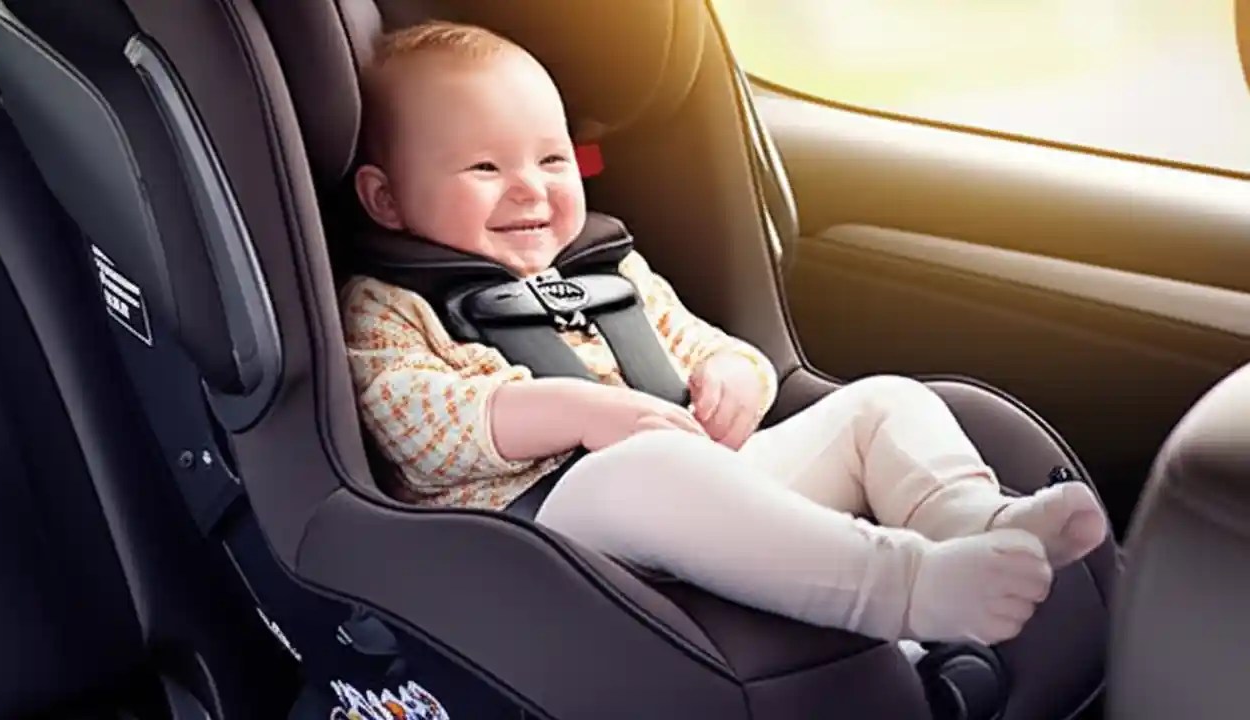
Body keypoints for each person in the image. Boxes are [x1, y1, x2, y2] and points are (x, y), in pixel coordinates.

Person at [340, 20, 1108, 645]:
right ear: (386, 200)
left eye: (551, 158)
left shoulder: (611, 276)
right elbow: (414, 422)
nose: (531, 188)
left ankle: (971, 523)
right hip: (544, 535)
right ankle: (905, 585)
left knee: (882, 404)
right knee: (644, 469)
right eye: (483, 167)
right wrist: (578, 412)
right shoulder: (388, 304)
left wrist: (737, 379)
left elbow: (705, 344)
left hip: (703, 482)